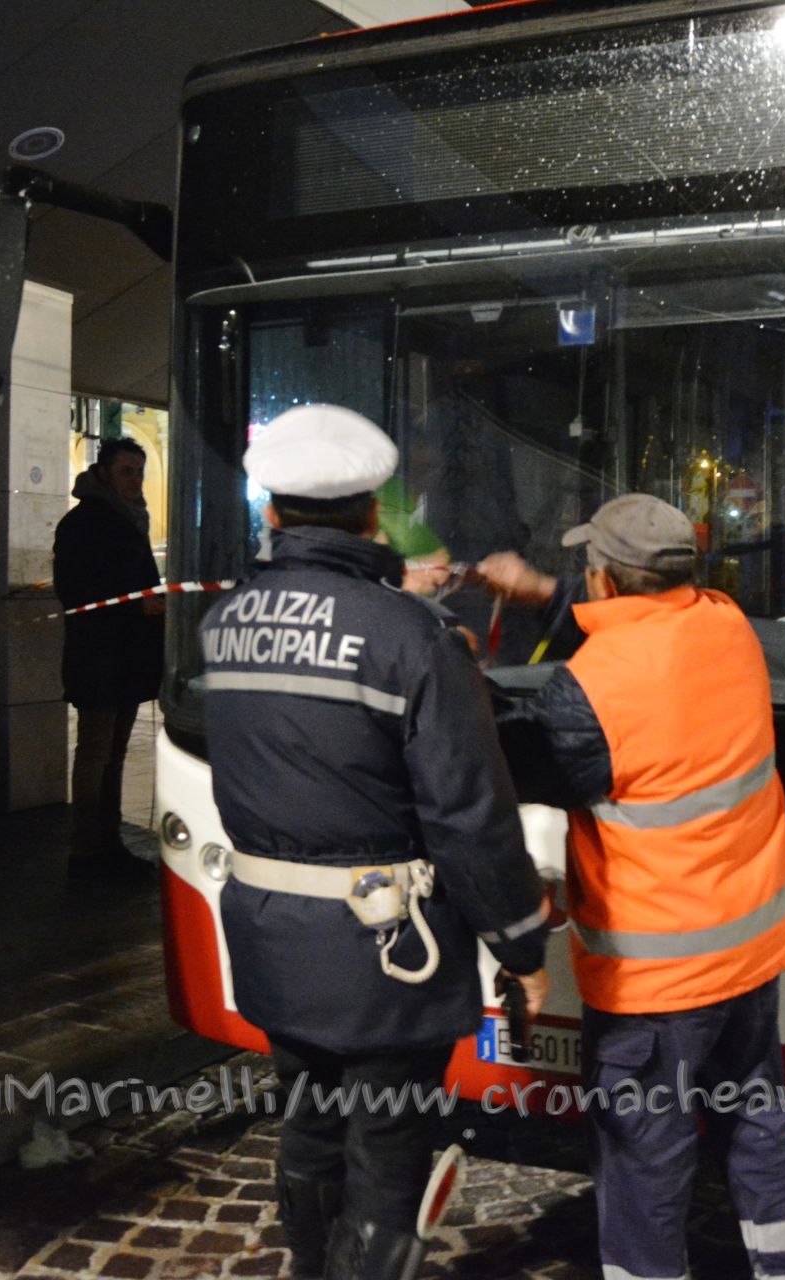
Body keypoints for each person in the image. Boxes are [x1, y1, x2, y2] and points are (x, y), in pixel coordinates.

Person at [200, 405, 551, 1280]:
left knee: (309, 1123)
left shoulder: (223, 624)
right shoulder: (414, 639)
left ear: (273, 513)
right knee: (388, 1152)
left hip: (271, 936)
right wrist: (519, 943)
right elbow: (469, 815)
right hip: (387, 954)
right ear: (370, 516)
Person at [491, 494, 785, 1280]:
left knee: (645, 1161)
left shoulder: (590, 691)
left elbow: (509, 763)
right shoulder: (725, 624)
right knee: (760, 1124)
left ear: (604, 580)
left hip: (657, 983)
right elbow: (640, 627)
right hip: (749, 952)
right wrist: (545, 593)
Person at [53, 438, 164, 876]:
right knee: (97, 750)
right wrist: (138, 605)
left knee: (114, 752)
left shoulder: (130, 519)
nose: (136, 481)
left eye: (139, 472)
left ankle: (109, 840)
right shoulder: (83, 523)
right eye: (126, 472)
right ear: (103, 473)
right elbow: (77, 592)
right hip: (99, 656)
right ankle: (86, 848)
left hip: (128, 656)